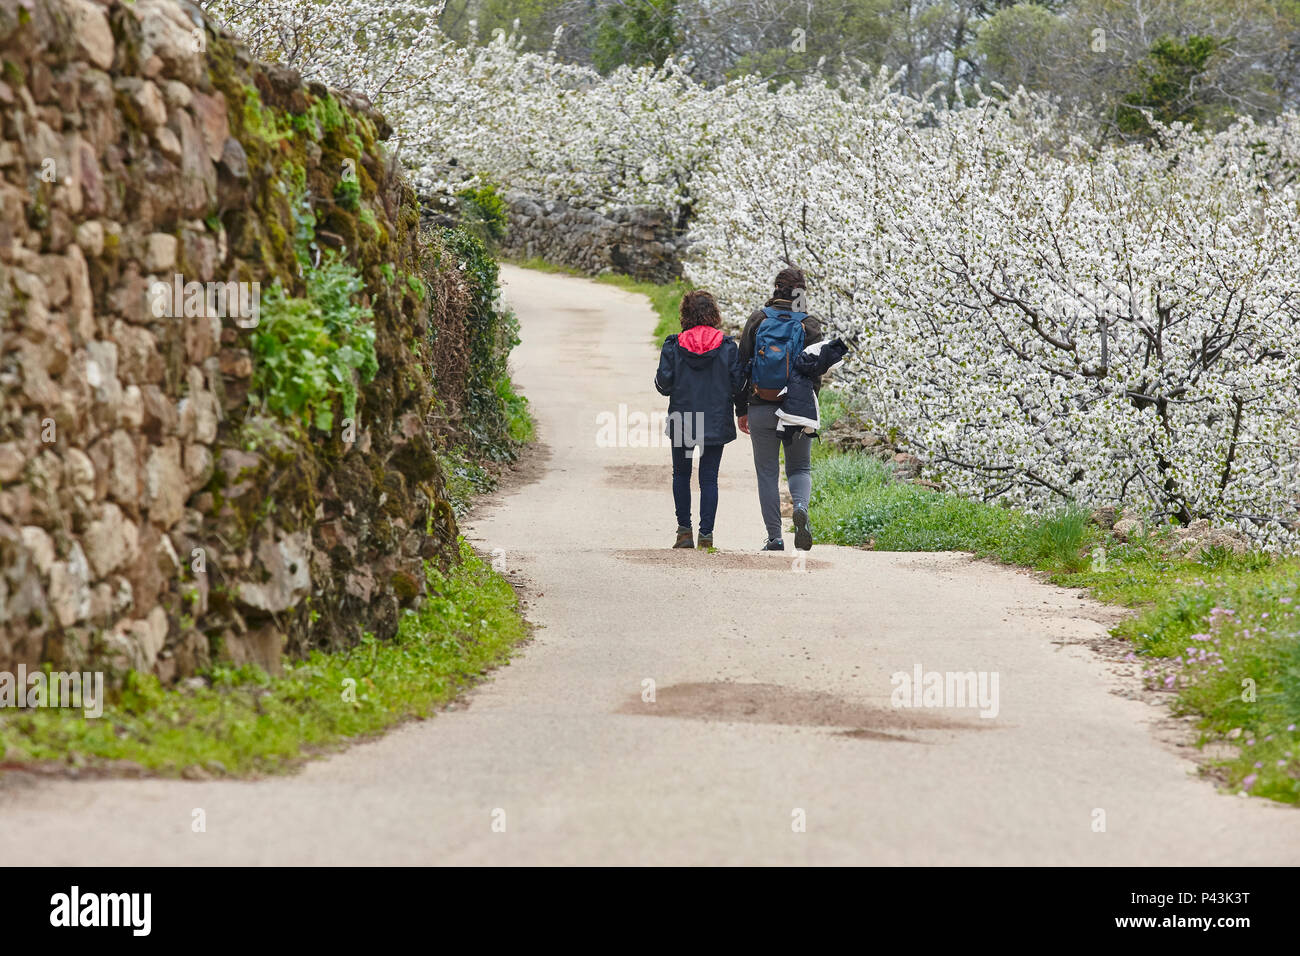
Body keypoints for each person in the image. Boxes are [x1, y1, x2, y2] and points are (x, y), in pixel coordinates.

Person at [735, 267, 823, 551]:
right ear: (802, 292)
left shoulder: (758, 319)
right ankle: (800, 507)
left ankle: (775, 537)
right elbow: (816, 373)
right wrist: (807, 403)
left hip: (761, 405)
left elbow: (740, 367)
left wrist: (741, 409)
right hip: (795, 408)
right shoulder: (810, 325)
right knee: (799, 467)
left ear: (776, 289)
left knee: (767, 473)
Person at [654, 290, 744, 549]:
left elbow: (663, 384)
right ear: (714, 313)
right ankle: (707, 535)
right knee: (709, 478)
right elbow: (738, 385)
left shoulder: (674, 344)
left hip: (683, 417)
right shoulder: (727, 346)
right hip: (715, 419)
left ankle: (684, 532)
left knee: (681, 474)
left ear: (685, 314)